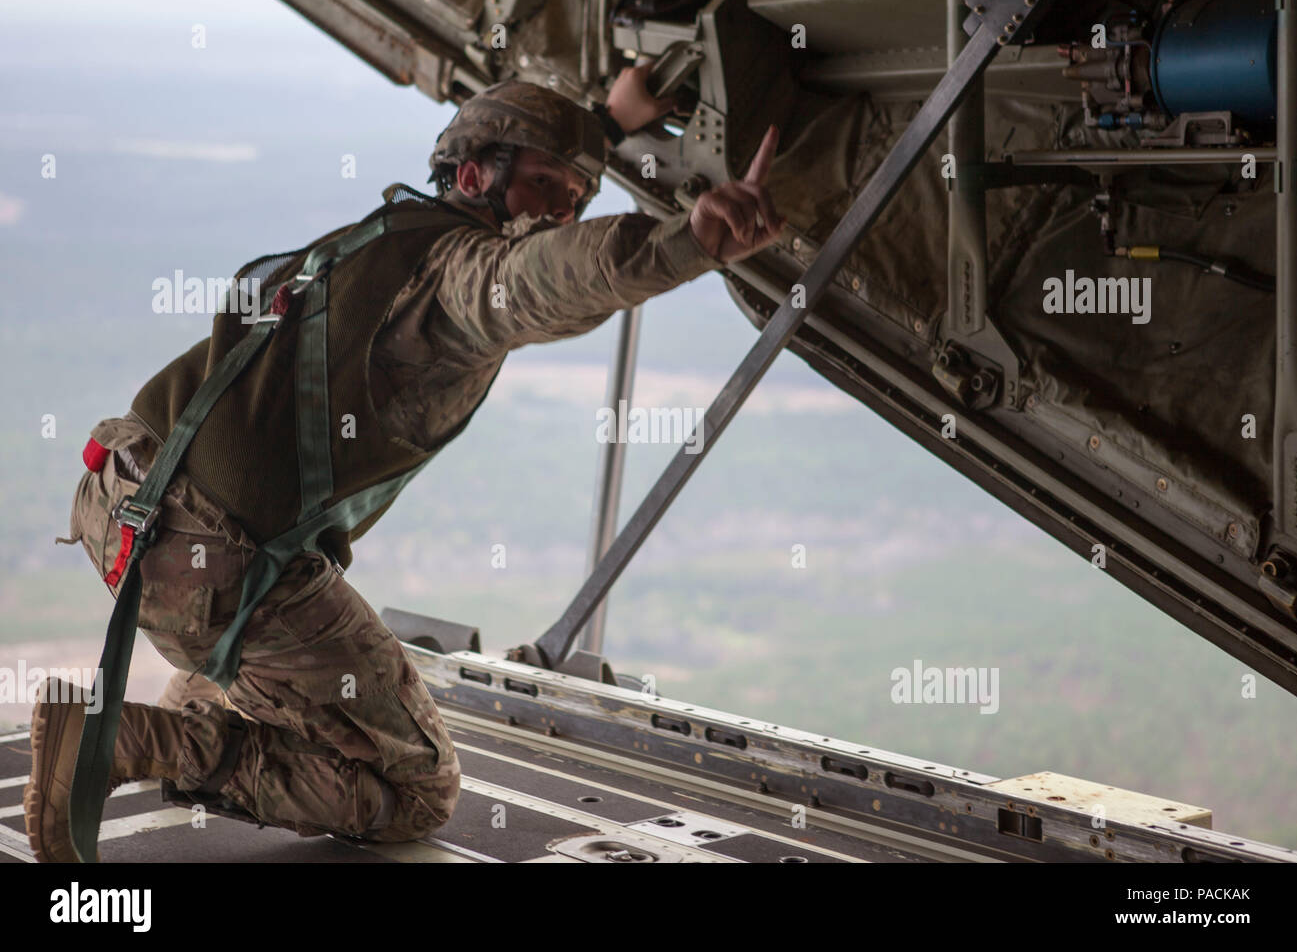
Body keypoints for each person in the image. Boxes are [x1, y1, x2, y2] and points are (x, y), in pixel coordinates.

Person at [24, 63, 785, 862]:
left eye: (577, 200)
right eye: (547, 190)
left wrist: (608, 121)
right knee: (418, 789)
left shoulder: (382, 238)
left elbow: (533, 200)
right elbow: (542, 278)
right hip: (214, 563)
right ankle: (130, 742)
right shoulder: (458, 280)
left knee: (292, 635)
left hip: (122, 500)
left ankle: (208, 704)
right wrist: (687, 243)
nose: (564, 212)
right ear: (471, 177)